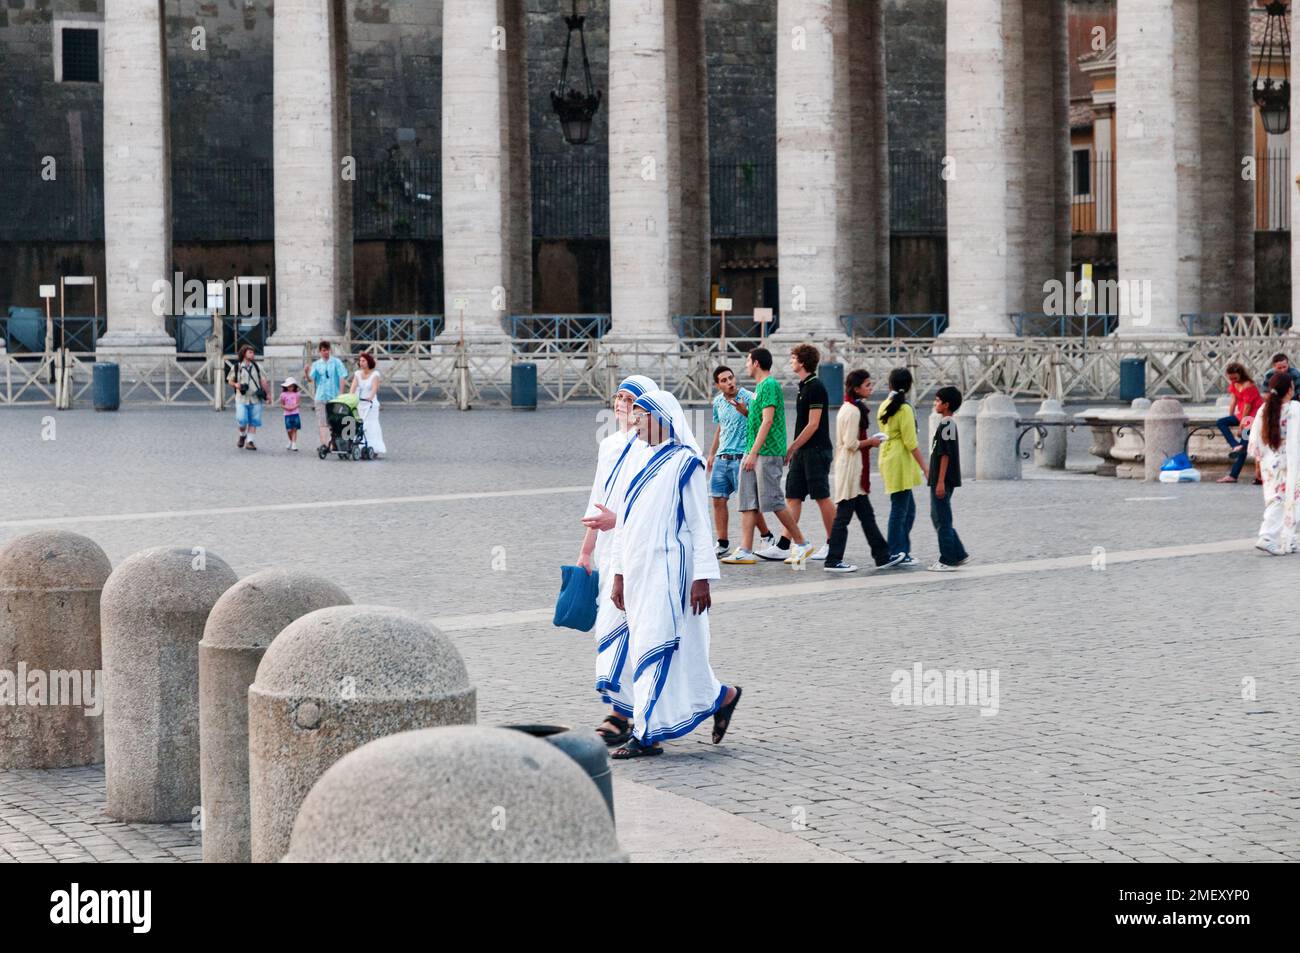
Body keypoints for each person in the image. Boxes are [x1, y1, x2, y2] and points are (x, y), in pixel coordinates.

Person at [609, 388, 742, 758]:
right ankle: (720, 696)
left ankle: (646, 734)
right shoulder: (636, 461)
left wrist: (702, 578)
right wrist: (619, 574)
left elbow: (701, 526)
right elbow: (623, 525)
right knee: (647, 647)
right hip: (637, 571)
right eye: (633, 416)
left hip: (671, 572)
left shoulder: (687, 463)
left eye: (641, 415)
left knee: (654, 642)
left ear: (662, 418)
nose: (634, 422)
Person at [576, 375, 656, 748]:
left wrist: (617, 521)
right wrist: (586, 550)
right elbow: (598, 498)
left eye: (630, 398)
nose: (621, 403)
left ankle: (623, 715)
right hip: (609, 550)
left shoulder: (651, 448)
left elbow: (651, 508)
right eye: (618, 397)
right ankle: (623, 710)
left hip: (638, 550)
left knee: (631, 629)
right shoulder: (609, 445)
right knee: (610, 628)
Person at [720, 347, 811, 566]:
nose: (746, 364)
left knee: (774, 500)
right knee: (748, 500)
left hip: (766, 452)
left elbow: (768, 421)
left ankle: (801, 543)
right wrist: (744, 411)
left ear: (757, 363)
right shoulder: (761, 388)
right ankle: (746, 549)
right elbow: (759, 418)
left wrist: (753, 453)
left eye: (748, 360)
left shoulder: (769, 385)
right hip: (755, 451)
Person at [770, 344, 835, 561]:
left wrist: (792, 447)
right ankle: (783, 544)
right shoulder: (803, 386)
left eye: (793, 358)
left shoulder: (815, 387)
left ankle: (833, 543)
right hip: (802, 451)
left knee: (822, 496)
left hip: (816, 450)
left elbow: (813, 424)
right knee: (793, 496)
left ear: (802, 362)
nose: (790, 361)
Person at [824, 369, 890, 573]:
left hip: (854, 469)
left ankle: (882, 555)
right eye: (867, 385)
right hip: (851, 469)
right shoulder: (852, 411)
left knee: (866, 515)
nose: (871, 388)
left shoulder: (850, 407)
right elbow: (850, 443)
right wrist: (871, 441)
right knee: (843, 516)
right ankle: (833, 559)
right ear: (856, 388)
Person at [707, 365, 773, 556]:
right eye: (724, 380)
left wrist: (745, 411)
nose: (729, 383)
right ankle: (722, 542)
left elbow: (761, 423)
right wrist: (712, 453)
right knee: (718, 500)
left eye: (731, 378)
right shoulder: (718, 402)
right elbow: (721, 427)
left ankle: (767, 535)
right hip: (722, 457)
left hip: (741, 457)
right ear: (718, 385)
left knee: (748, 503)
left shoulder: (749, 397)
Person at [878, 368, 928, 567]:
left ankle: (901, 549)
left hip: (888, 456)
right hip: (899, 459)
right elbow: (911, 442)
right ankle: (896, 550)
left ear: (890, 384)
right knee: (900, 509)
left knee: (907, 508)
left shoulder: (884, 405)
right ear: (909, 386)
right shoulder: (905, 408)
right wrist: (925, 467)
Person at [1247, 374, 1300, 556]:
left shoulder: (1264, 409)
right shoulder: (1295, 408)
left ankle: (1289, 538)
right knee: (1286, 500)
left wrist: (1257, 465)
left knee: (1276, 498)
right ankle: (1267, 536)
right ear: (1290, 390)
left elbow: (1254, 442)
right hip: (1291, 463)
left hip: (1269, 462)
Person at [926, 386, 969, 572]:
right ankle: (958, 553)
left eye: (937, 400)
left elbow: (945, 454)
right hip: (939, 477)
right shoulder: (945, 423)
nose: (935, 403)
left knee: (942, 518)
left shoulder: (948, 424)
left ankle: (948, 559)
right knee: (938, 516)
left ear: (946, 404)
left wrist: (941, 481)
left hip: (942, 479)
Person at [1216, 363, 1261, 484]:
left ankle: (1233, 475)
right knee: (1221, 422)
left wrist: (1242, 426)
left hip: (1252, 418)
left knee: (1244, 445)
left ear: (1241, 374)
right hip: (1242, 415)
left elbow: (1248, 407)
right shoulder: (1234, 384)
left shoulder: (1249, 386)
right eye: (1230, 378)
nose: (1232, 380)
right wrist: (1231, 416)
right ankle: (1234, 445)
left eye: (1235, 378)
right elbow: (1233, 400)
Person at [306, 341, 349, 453]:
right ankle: (324, 445)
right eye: (323, 350)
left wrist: (341, 393)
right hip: (320, 396)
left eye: (327, 350)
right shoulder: (316, 364)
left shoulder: (336, 362)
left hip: (334, 396)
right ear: (320, 351)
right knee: (322, 422)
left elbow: (342, 377)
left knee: (334, 421)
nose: (326, 352)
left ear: (330, 350)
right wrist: (306, 372)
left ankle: (334, 443)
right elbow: (311, 379)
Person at [226, 345, 270, 451]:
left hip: (256, 398)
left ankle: (250, 442)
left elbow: (263, 381)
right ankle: (242, 434)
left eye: (253, 352)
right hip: (242, 398)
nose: (252, 354)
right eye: (250, 352)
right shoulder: (236, 367)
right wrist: (236, 385)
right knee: (242, 420)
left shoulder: (258, 366)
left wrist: (268, 394)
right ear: (244, 353)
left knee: (254, 420)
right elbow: (229, 380)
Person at [350, 352, 387, 457]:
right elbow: (353, 387)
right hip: (360, 403)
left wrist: (369, 398)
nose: (361, 363)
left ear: (368, 362)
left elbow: (375, 389)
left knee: (371, 424)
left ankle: (374, 447)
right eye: (360, 361)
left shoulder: (375, 375)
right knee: (360, 424)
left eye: (363, 361)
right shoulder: (357, 374)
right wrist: (350, 397)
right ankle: (360, 446)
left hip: (371, 403)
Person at [279, 376, 302, 452]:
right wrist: (286, 407)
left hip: (295, 413)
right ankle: (290, 440)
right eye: (288, 386)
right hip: (287, 414)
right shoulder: (283, 395)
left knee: (294, 428)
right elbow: (282, 404)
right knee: (289, 429)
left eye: (291, 386)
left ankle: (294, 443)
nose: (290, 388)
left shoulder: (297, 394)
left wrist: (294, 406)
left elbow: (298, 403)